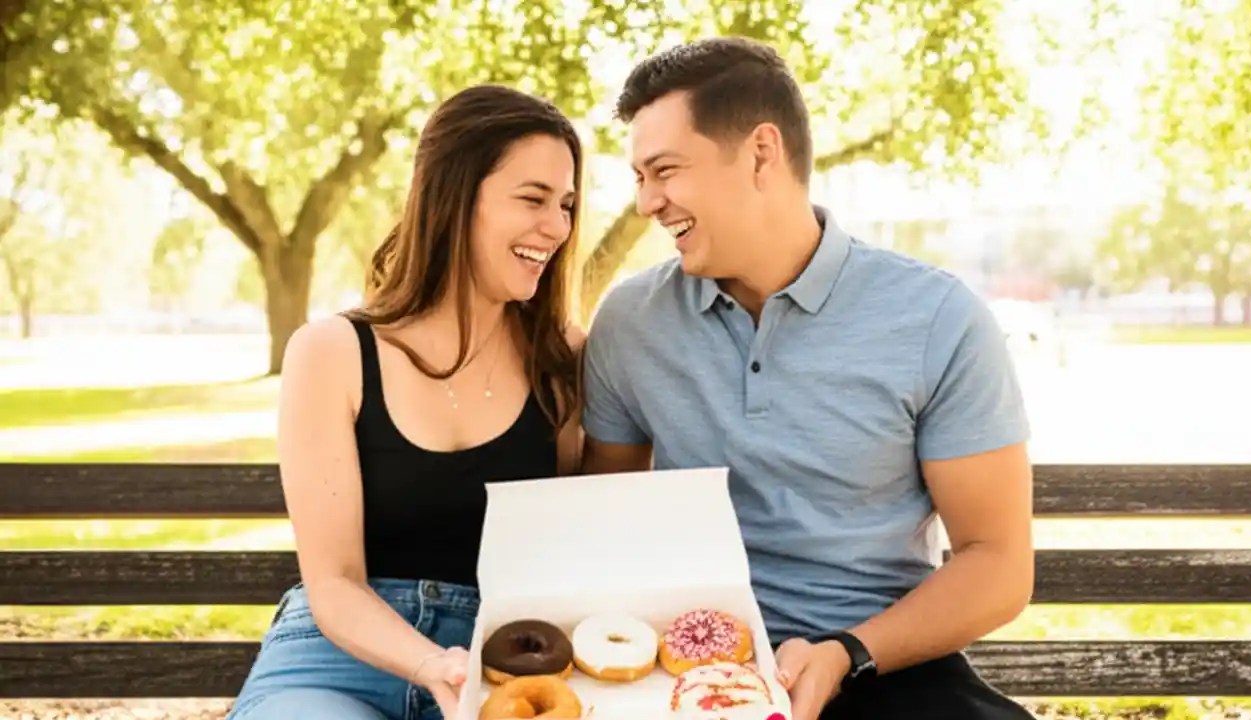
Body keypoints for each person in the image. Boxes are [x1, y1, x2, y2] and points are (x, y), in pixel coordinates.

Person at [581, 37, 1037, 720]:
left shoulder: (937, 318)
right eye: (639, 178)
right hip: (691, 671)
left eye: (664, 170)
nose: (646, 202)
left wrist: (846, 652)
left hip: (883, 665)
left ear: (762, 153)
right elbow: (606, 518)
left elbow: (996, 562)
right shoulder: (630, 321)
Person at [228, 84, 586, 720]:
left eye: (565, 205)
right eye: (532, 199)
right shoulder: (331, 352)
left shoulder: (561, 358)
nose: (557, 227)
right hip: (334, 664)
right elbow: (334, 582)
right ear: (452, 197)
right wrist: (429, 664)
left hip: (500, 665)